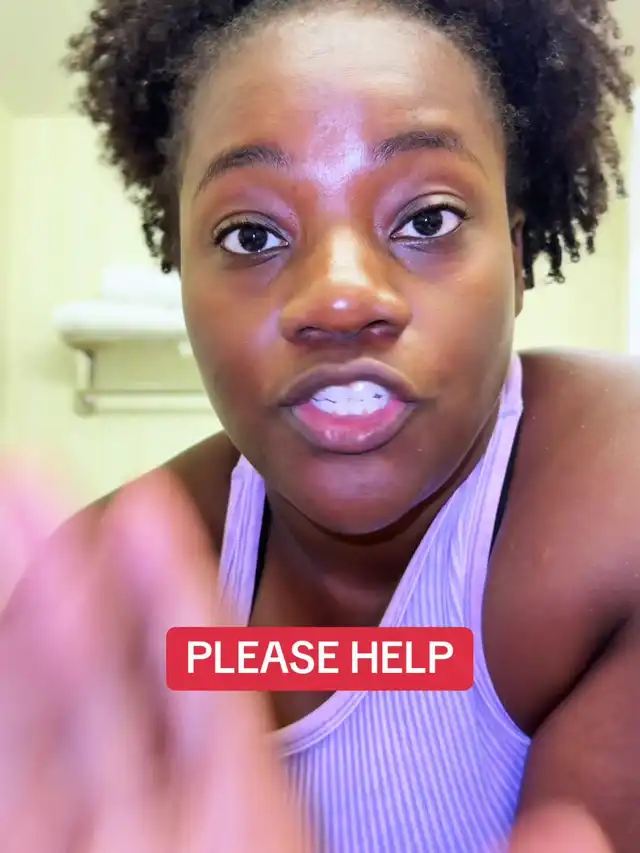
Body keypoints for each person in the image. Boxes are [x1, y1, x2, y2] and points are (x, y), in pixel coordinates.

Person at [0, 0, 637, 850]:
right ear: (183, 279)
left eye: (428, 219)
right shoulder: (107, 597)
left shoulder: (615, 495)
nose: (340, 297)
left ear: (518, 260)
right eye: (252, 234)